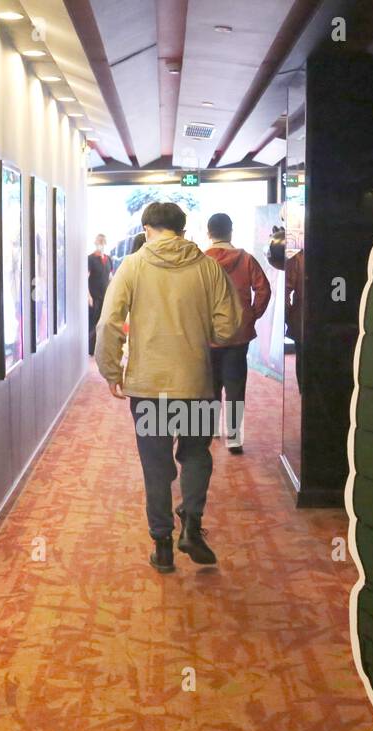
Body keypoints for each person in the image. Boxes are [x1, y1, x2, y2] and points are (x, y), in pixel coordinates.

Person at [95, 202, 240, 573]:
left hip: (148, 387)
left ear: (147, 229)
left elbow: (109, 322)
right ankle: (191, 524)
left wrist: (111, 370)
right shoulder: (209, 268)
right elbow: (228, 327)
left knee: (156, 466)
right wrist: (198, 334)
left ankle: (162, 546)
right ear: (183, 229)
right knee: (196, 455)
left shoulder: (132, 266)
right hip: (195, 383)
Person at [205, 213, 272, 454]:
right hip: (238, 335)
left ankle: (211, 428)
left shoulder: (201, 261)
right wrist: (251, 316)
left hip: (209, 334)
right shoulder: (246, 259)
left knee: (209, 384)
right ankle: (234, 439)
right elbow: (263, 290)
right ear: (231, 231)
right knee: (235, 386)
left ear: (208, 233)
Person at [87, 233, 112, 355]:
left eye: (103, 242)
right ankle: (90, 349)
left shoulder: (108, 259)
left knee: (104, 322)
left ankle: (101, 348)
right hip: (94, 296)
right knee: (93, 322)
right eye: (99, 242)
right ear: (95, 243)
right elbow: (85, 278)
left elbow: (110, 277)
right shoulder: (90, 259)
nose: (101, 245)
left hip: (105, 296)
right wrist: (88, 296)